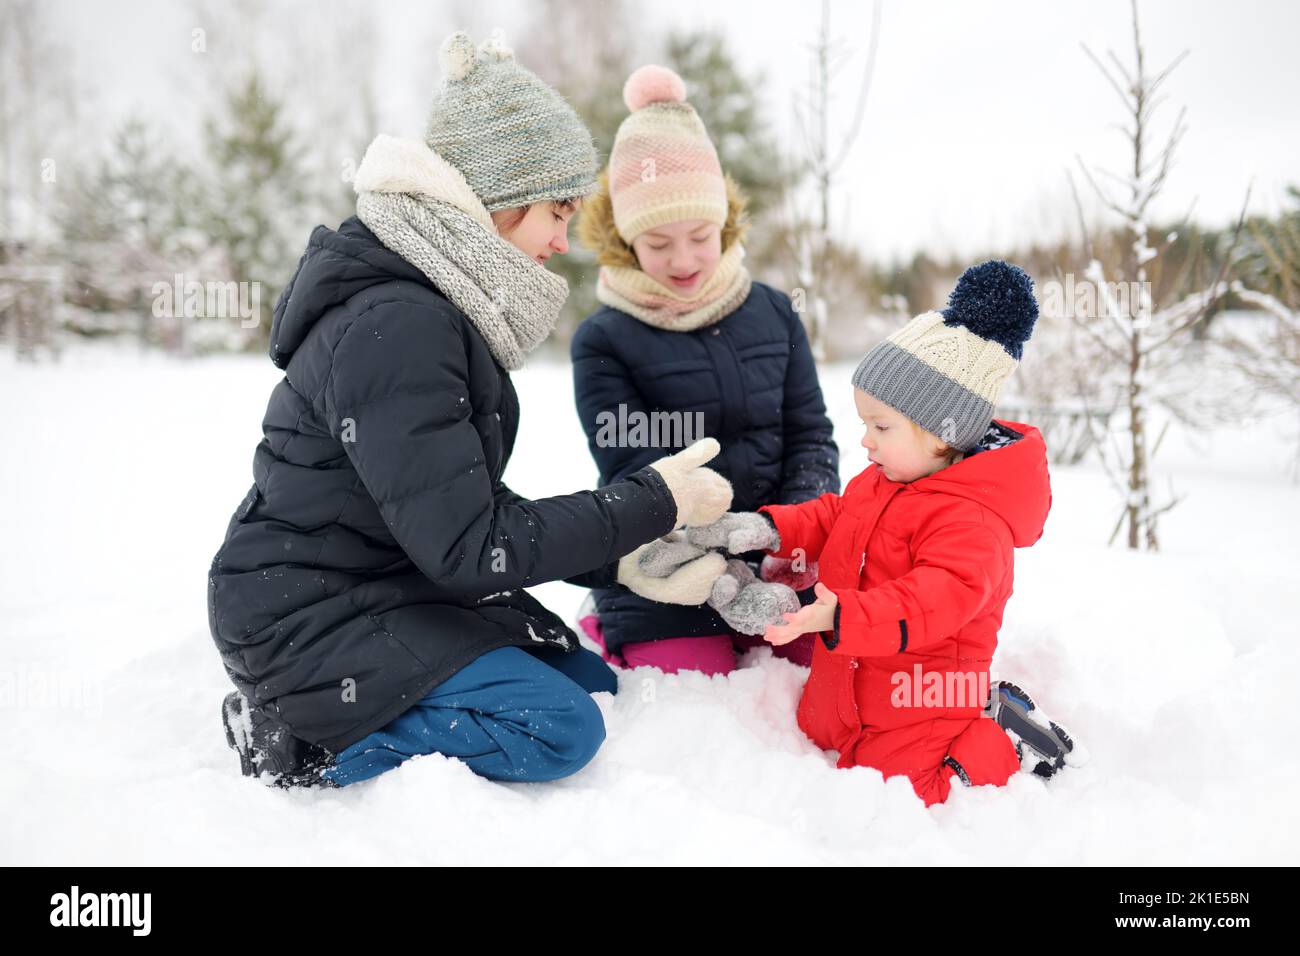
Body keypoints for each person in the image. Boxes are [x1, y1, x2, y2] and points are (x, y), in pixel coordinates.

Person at [209, 33, 732, 789]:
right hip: (304, 611)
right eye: (557, 211)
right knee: (559, 729)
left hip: (385, 580)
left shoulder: (438, 306)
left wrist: (626, 556)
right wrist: (652, 500)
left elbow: (460, 510)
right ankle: (295, 740)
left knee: (588, 680)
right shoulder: (400, 325)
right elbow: (468, 546)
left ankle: (341, 710)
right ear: (498, 200)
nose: (564, 238)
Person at [691, 261, 1083, 805]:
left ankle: (1005, 737)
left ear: (942, 437)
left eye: (881, 427)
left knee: (908, 791)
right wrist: (767, 528)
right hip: (849, 675)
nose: (867, 443)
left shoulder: (974, 520)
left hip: (922, 697)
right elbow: (834, 517)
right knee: (818, 733)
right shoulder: (885, 478)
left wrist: (841, 616)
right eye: (864, 425)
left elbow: (936, 599)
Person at [571, 65, 839, 676]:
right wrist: (720, 554)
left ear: (723, 223)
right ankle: (608, 616)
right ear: (625, 240)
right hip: (669, 560)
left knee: (816, 662)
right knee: (697, 687)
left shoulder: (774, 312)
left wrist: (791, 533)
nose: (684, 259)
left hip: (775, 547)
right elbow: (631, 467)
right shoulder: (603, 339)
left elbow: (810, 436)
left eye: (699, 235)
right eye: (658, 244)